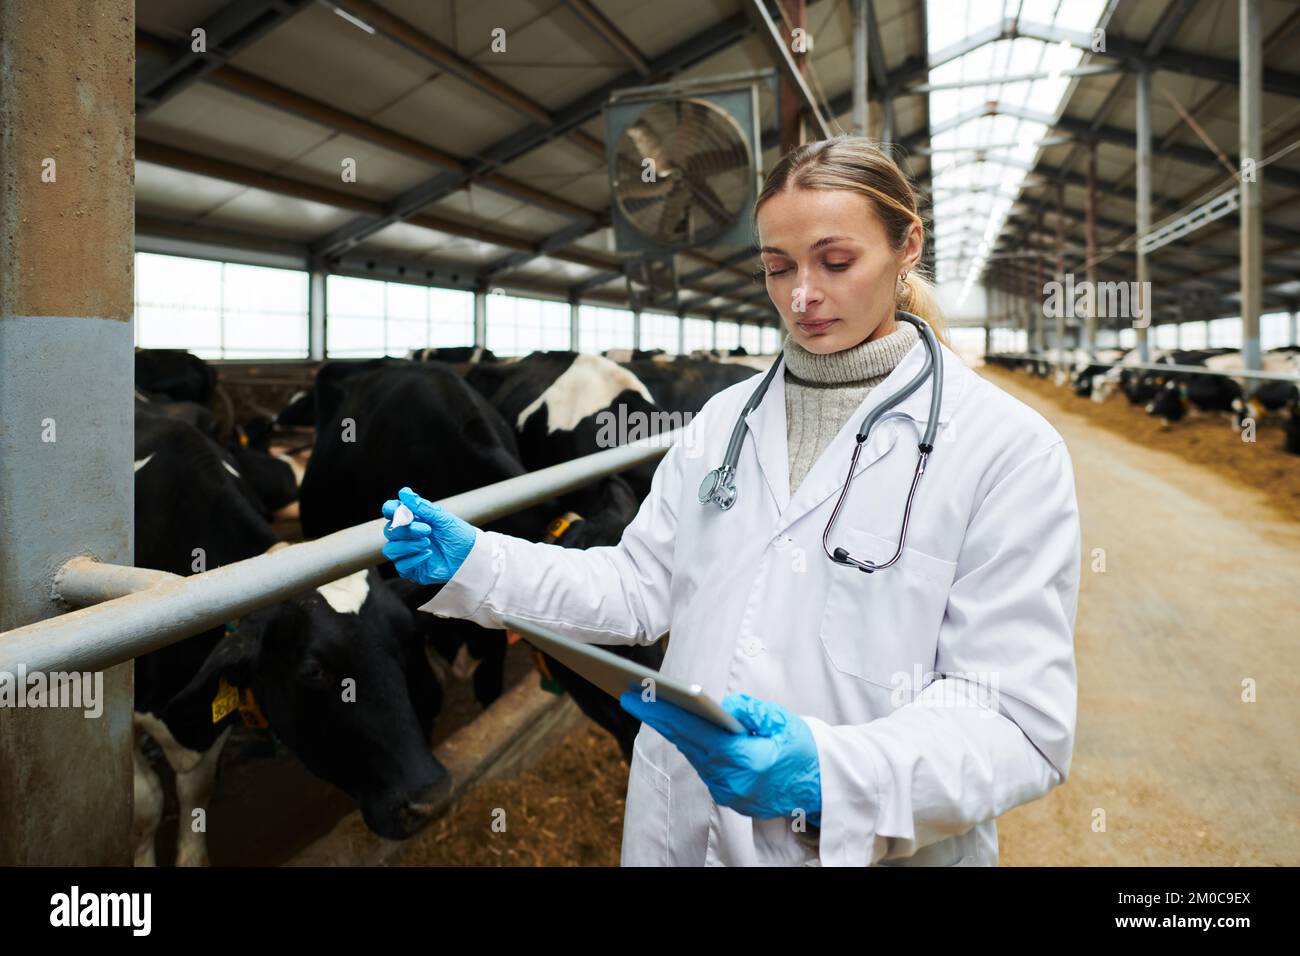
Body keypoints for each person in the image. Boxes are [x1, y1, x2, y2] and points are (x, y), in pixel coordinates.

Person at [380, 136, 1080, 866]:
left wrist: (829, 773)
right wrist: (482, 562)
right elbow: (636, 588)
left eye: (836, 263)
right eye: (777, 268)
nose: (801, 295)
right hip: (677, 820)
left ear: (908, 247)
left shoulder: (1006, 451)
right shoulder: (723, 421)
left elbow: (1013, 720)